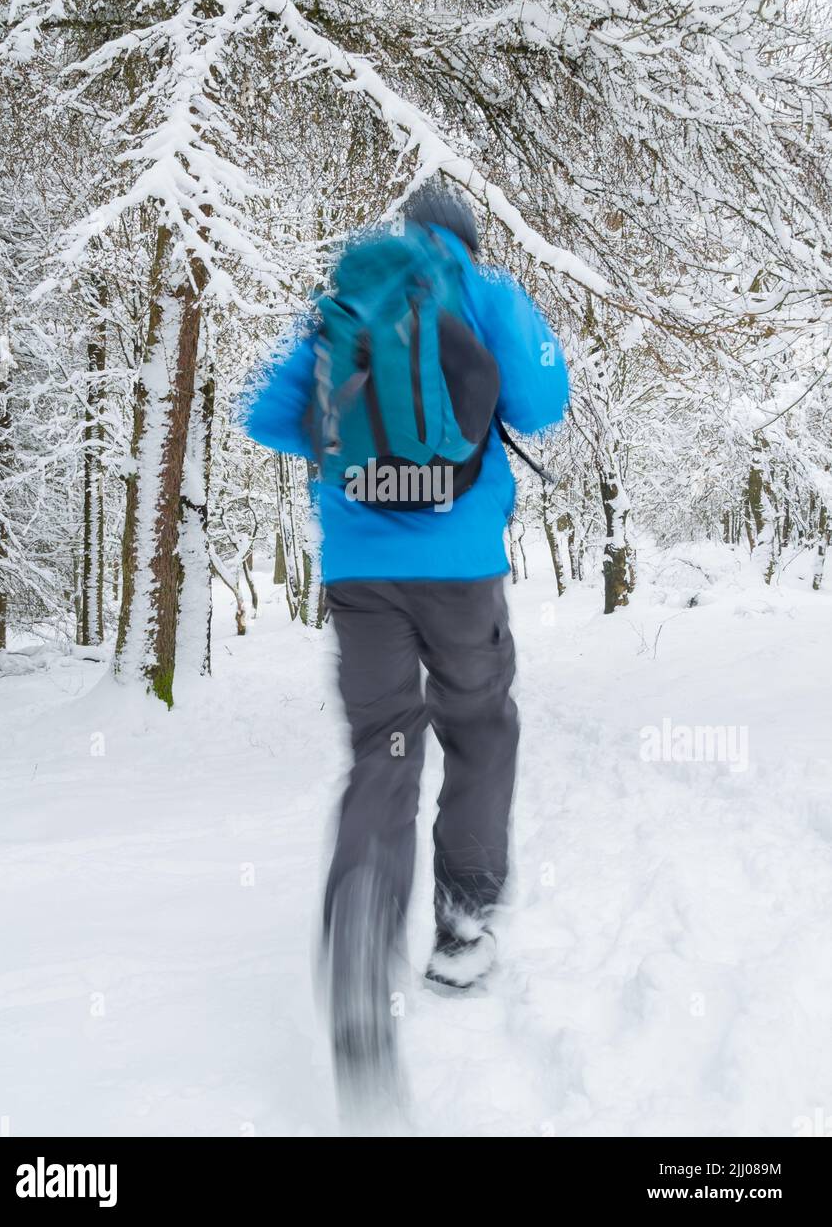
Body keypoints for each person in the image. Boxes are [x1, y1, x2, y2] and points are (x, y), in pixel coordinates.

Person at [240, 186, 569, 1109]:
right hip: (460, 567)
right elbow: (544, 403)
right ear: (466, 240)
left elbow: (269, 417)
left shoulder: (348, 297)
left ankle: (357, 947)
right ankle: (463, 930)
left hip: (358, 572)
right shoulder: (488, 294)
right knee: (477, 726)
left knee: (383, 747)